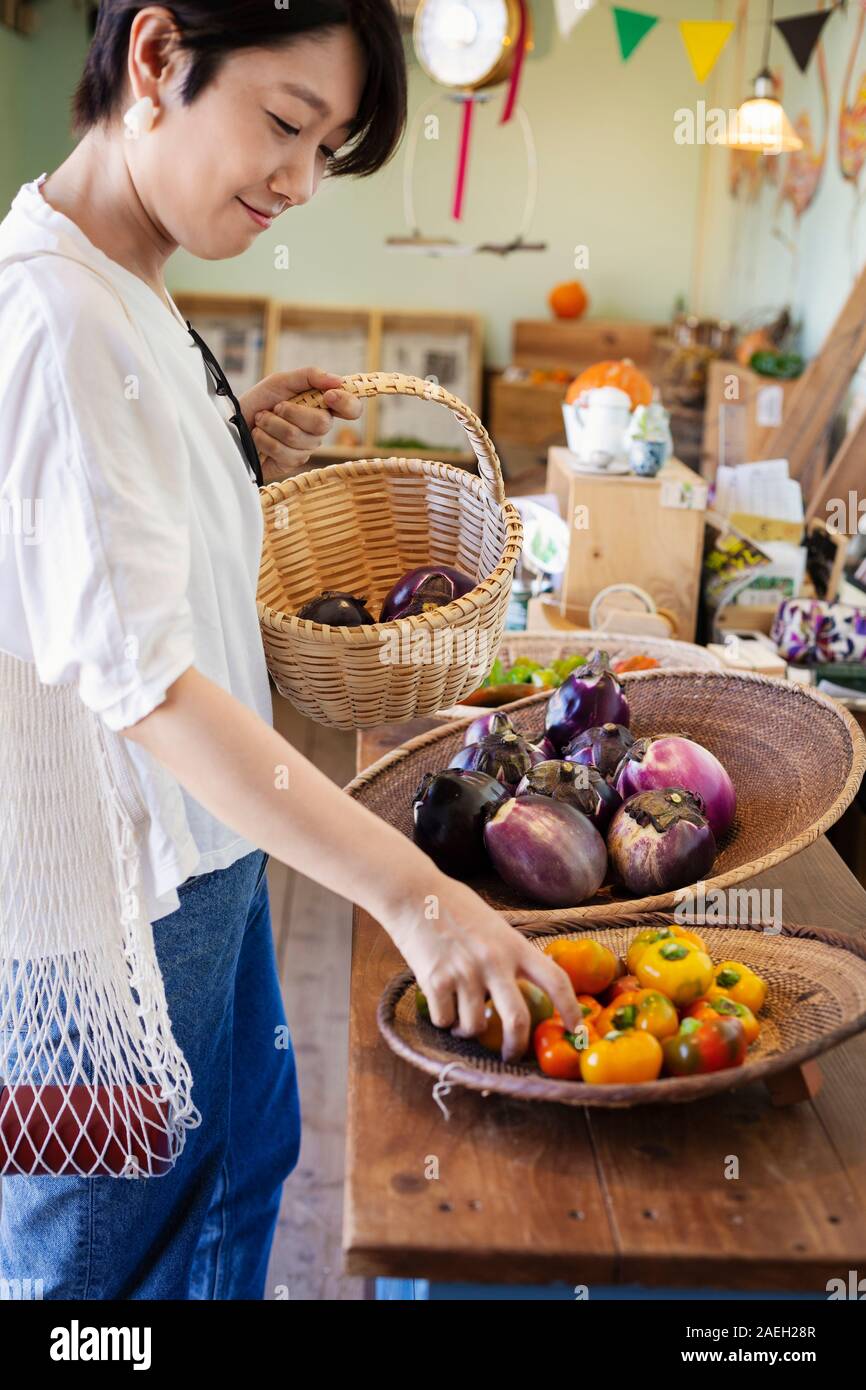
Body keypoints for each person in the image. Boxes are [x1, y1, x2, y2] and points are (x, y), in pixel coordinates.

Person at [0, 1, 578, 1300]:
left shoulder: (123, 278)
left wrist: (233, 432)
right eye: (285, 125)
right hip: (113, 925)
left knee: (235, 1181)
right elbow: (144, 683)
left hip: (202, 865)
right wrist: (416, 896)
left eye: (326, 149)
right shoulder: (53, 319)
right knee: (88, 1279)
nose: (301, 182)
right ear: (156, 58)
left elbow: (110, 528)